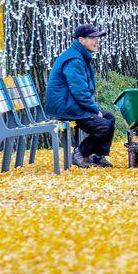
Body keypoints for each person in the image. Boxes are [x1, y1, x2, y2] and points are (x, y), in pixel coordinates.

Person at [45, 24, 115, 168]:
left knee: (109, 118)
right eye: (92, 38)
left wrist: (94, 109)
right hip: (66, 107)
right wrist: (95, 110)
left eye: (97, 38)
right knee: (104, 126)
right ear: (81, 40)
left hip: (71, 103)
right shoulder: (74, 60)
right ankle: (80, 154)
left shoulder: (79, 56)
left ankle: (97, 156)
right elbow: (80, 92)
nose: (96, 41)